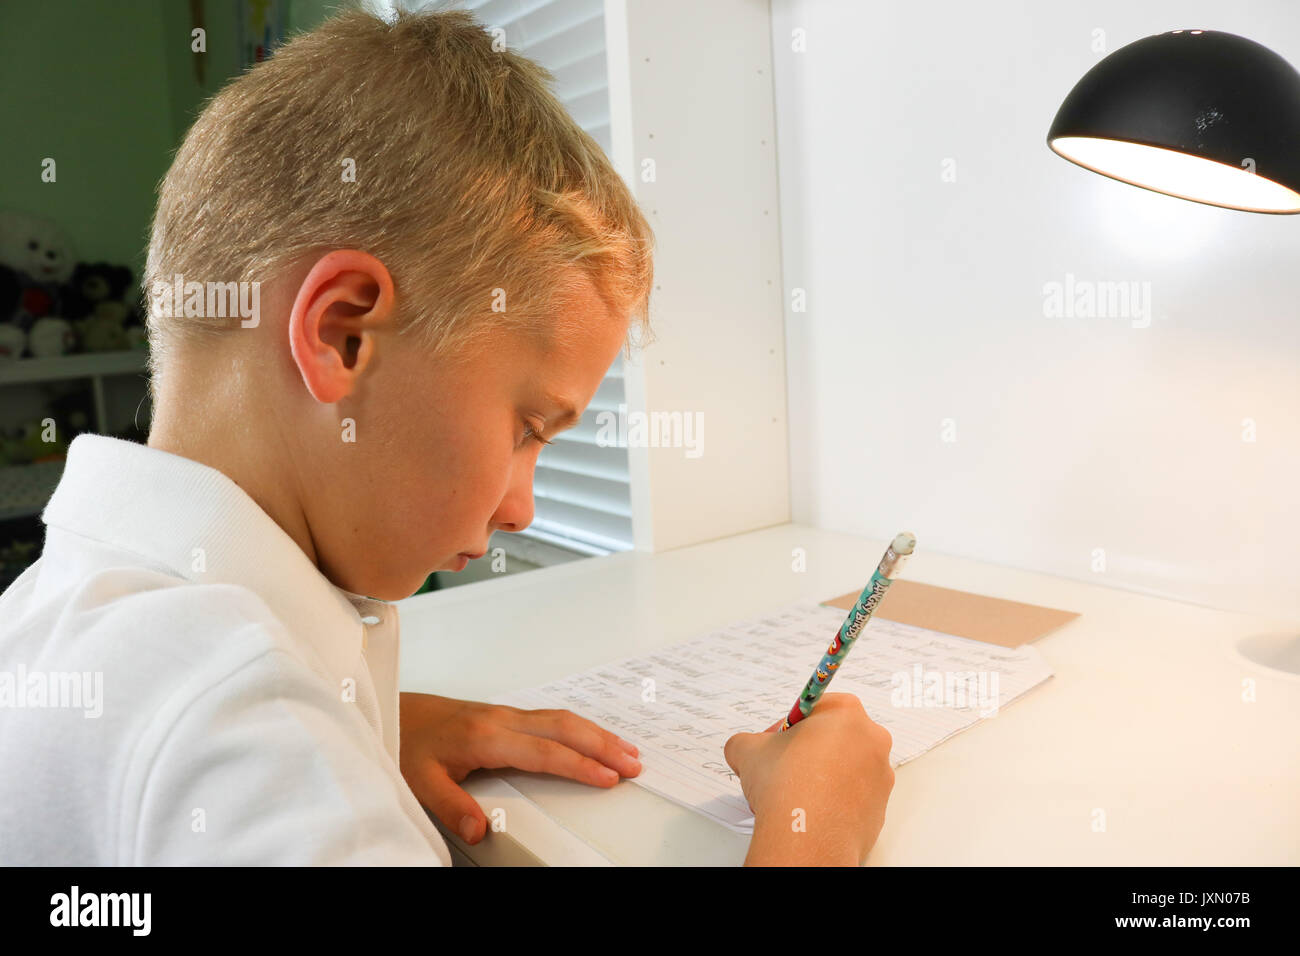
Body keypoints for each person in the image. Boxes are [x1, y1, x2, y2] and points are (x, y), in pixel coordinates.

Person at [0, 8, 893, 866]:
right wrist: (816, 828)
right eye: (528, 427)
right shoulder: (257, 744)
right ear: (343, 334)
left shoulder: (60, 615)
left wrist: (372, 718)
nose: (521, 507)